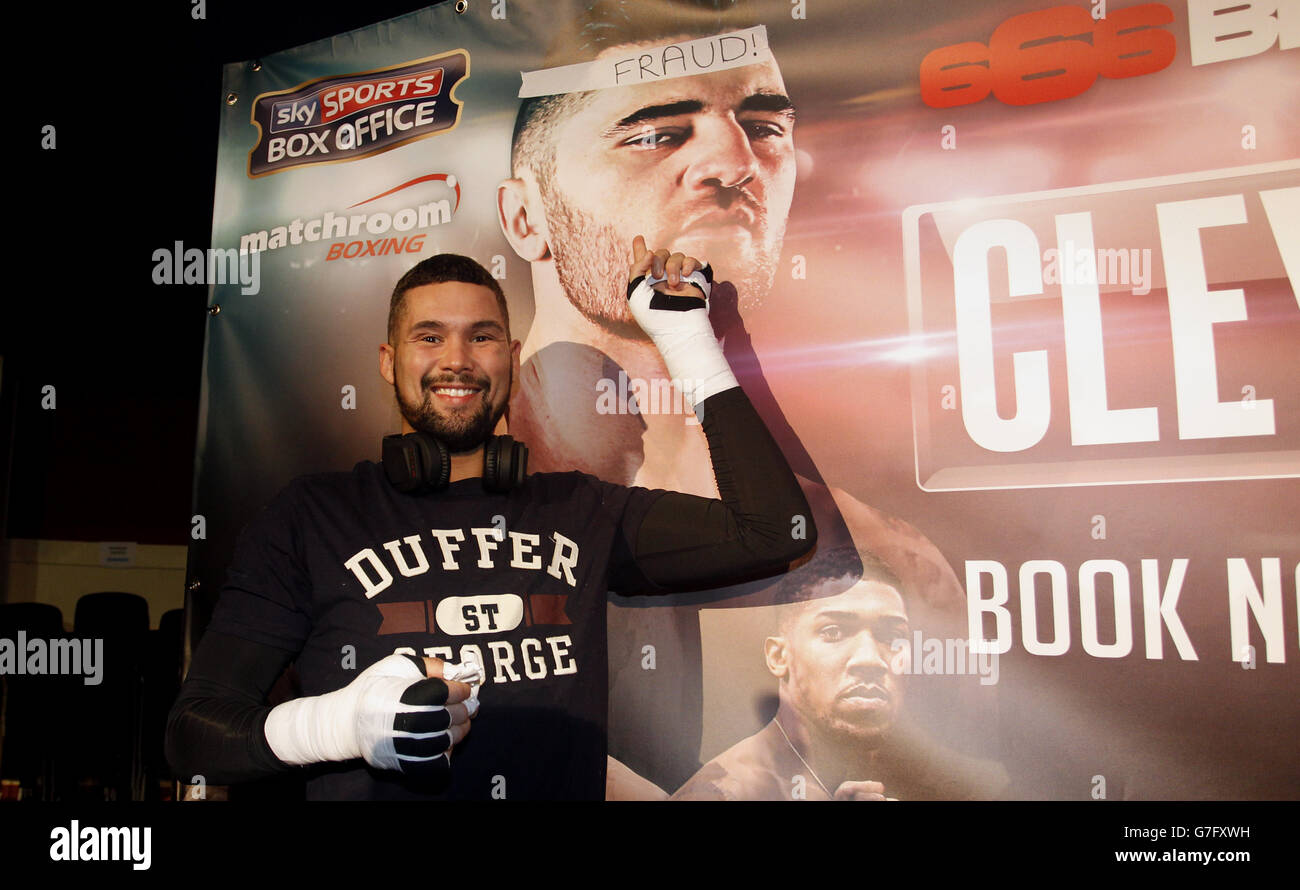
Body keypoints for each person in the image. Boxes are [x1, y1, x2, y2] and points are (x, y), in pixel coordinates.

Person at [496, 0, 967, 794]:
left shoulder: (884, 557)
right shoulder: (451, 511)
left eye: (764, 125)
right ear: (525, 215)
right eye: (655, 132)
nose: (733, 162)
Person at [164, 243, 816, 800]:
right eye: (430, 337)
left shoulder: (582, 509)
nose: (457, 359)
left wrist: (686, 339)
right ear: (389, 361)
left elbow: (776, 530)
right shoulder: (311, 517)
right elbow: (193, 735)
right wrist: (338, 726)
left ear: (511, 357)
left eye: (480, 337)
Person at [672, 547, 1008, 800]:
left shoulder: (952, 782)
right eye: (833, 632)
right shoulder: (722, 793)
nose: (871, 659)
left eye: (892, 636)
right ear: (779, 656)